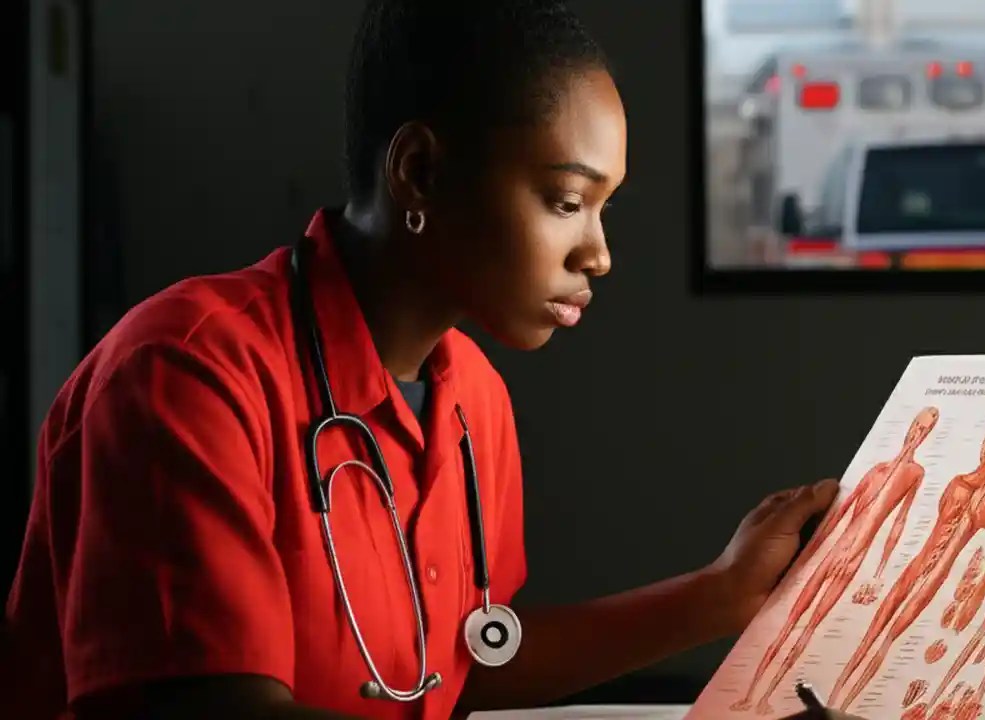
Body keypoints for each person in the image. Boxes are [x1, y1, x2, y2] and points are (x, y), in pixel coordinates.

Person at [1, 2, 865, 719]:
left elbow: (460, 661)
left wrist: (718, 595)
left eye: (605, 208)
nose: (598, 254)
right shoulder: (185, 375)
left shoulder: (470, 396)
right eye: (566, 200)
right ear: (418, 172)